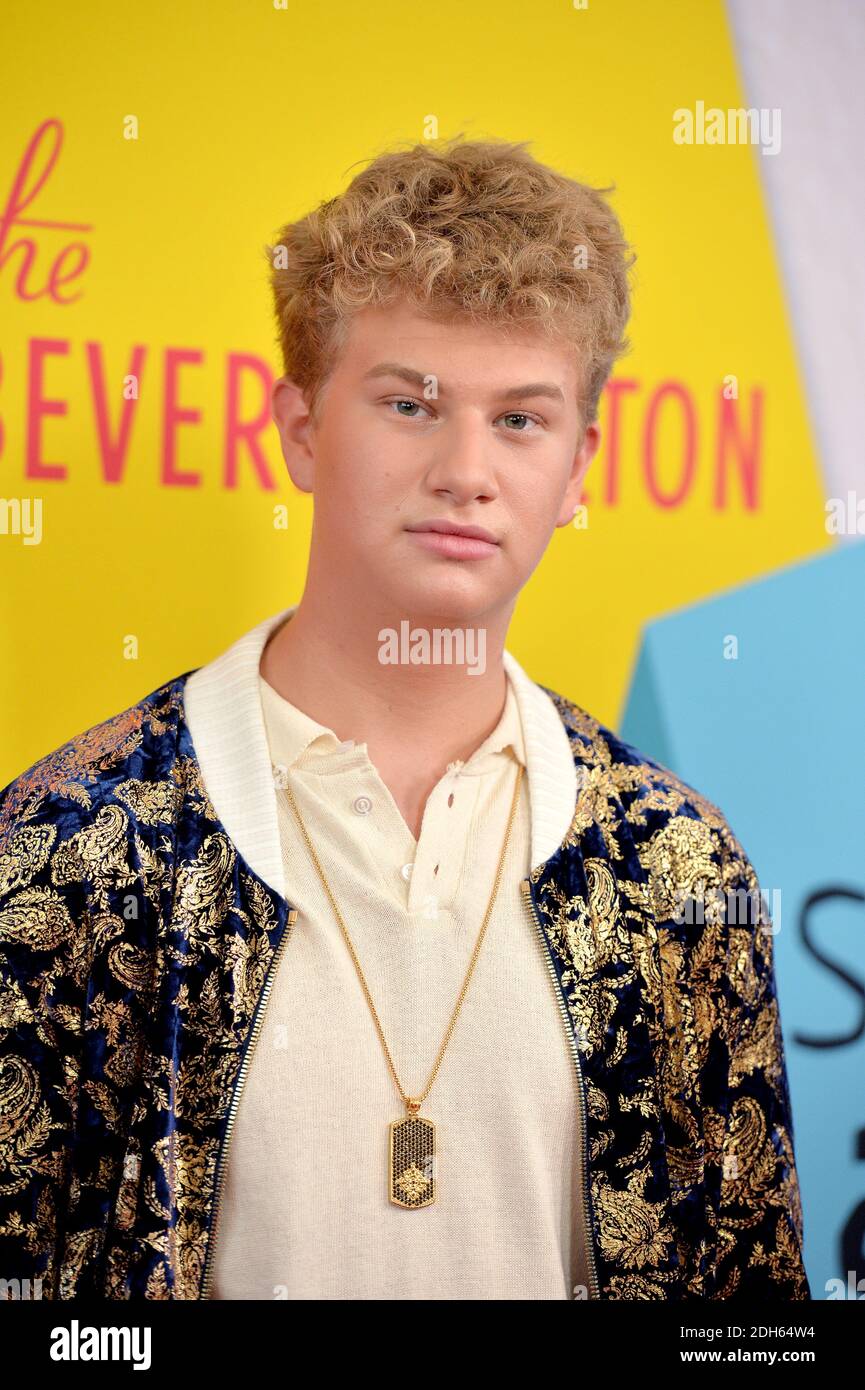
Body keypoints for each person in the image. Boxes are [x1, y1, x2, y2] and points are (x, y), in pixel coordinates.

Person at [0, 135, 809, 1301]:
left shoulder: (675, 863)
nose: (466, 470)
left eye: (520, 420)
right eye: (409, 403)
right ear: (298, 429)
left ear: (580, 464)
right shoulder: (68, 848)